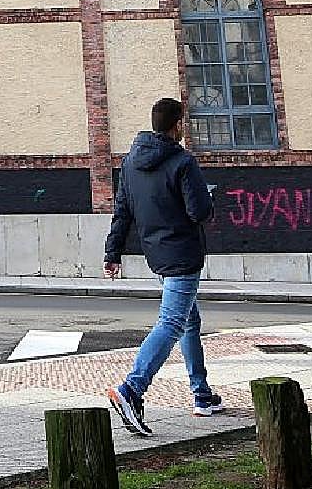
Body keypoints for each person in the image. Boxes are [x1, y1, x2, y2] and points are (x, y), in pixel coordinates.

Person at [102, 96, 224, 436]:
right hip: (183, 254)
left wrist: (112, 253)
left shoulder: (129, 163)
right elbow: (199, 212)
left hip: (156, 253)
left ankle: (201, 394)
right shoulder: (183, 162)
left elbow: (122, 211)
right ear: (178, 125)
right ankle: (131, 389)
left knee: (188, 321)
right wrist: (207, 199)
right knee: (172, 323)